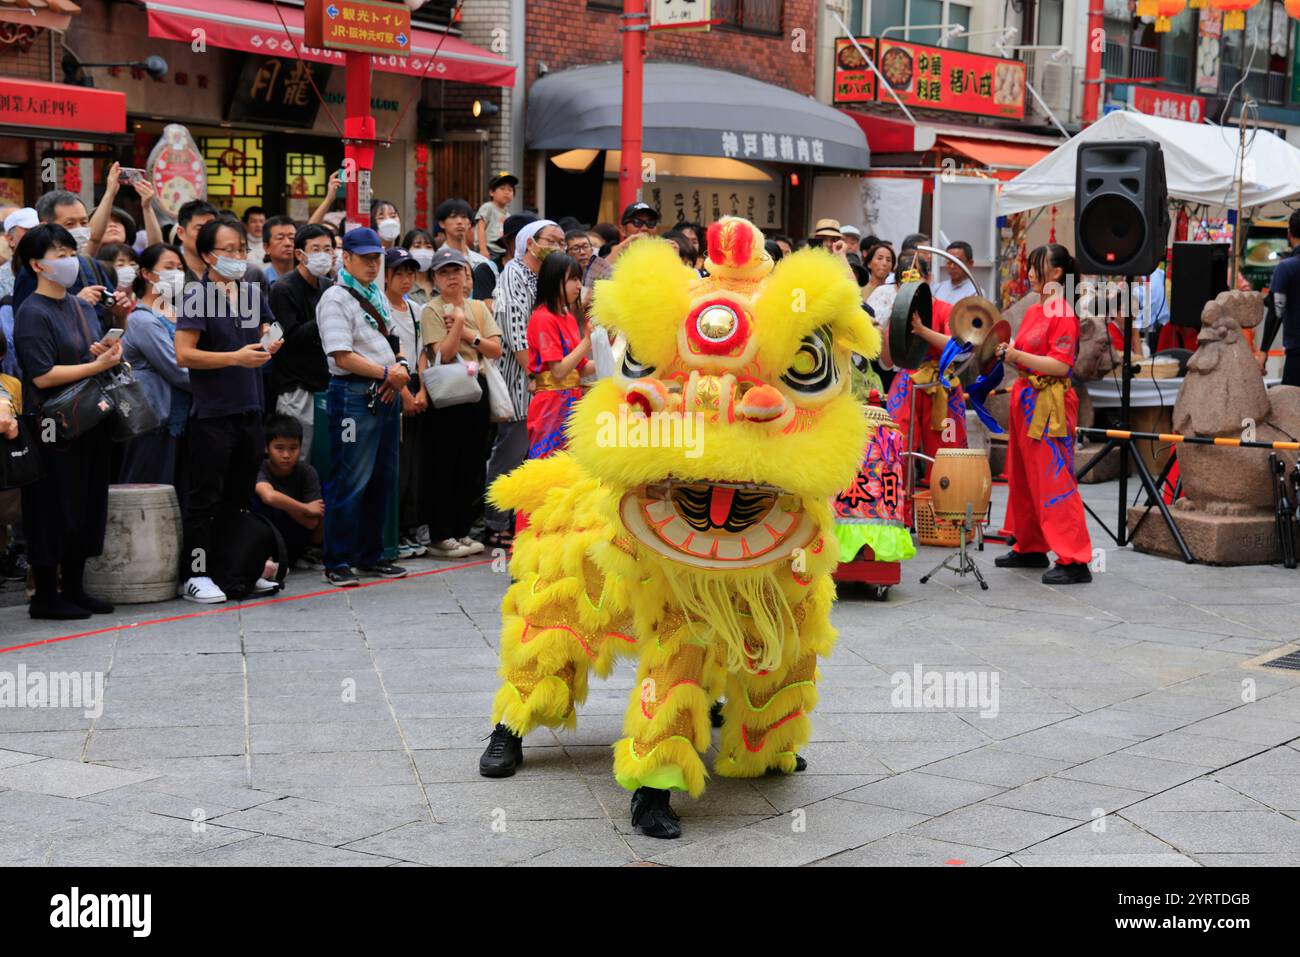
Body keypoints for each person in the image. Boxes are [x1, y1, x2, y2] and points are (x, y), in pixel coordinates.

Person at [11, 224, 120, 620]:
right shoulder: (32, 312)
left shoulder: (80, 305)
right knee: (52, 506)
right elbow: (41, 375)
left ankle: (74, 586)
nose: (69, 260)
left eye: (70, 251)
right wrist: (96, 364)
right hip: (52, 425)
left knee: (87, 502)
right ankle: (45, 593)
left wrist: (106, 350)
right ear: (37, 264)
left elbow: (87, 354)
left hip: (90, 418)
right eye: (59, 253)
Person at [174, 217, 280, 604]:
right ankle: (196, 573)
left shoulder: (249, 293)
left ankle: (236, 568)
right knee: (205, 499)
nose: (237, 257)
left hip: (250, 408)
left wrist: (271, 339)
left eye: (240, 249)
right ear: (206, 254)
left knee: (238, 496)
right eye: (227, 250)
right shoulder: (197, 296)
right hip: (213, 414)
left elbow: (266, 329)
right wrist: (234, 357)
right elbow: (184, 354)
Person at [316, 227, 411, 586]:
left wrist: (399, 367)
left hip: (386, 389)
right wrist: (388, 372)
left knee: (382, 477)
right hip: (353, 395)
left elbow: (393, 338)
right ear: (347, 259)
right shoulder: (336, 299)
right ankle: (337, 559)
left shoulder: (375, 293)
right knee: (350, 477)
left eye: (377, 258)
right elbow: (341, 355)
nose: (373, 265)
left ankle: (371, 555)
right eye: (366, 258)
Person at [994, 243, 1093, 585]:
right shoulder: (1039, 309)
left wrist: (1016, 356)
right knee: (1022, 477)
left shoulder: (1063, 312)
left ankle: (1075, 558)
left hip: (1049, 405)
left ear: (1056, 274)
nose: (1031, 272)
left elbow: (1061, 365)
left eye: (1037, 266)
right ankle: (1031, 545)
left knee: (1054, 479)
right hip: (1027, 400)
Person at [482, 218, 559, 548]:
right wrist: (534, 373)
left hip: (537, 382)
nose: (558, 247)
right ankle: (494, 520)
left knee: (528, 455)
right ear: (531, 243)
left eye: (562, 242)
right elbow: (516, 334)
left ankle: (516, 517)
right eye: (551, 240)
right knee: (511, 452)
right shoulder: (514, 275)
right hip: (519, 380)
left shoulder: (542, 278)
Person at [419, 246, 500, 557]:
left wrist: (466, 330)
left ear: (468, 275)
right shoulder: (432, 310)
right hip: (448, 389)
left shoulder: (478, 307)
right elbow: (444, 353)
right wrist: (458, 327)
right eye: (444, 272)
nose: (452, 277)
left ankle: (463, 530)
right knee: (444, 463)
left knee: (472, 462)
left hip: (477, 388)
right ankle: (441, 534)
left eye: (457, 271)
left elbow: (495, 349)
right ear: (435, 278)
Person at [882, 236, 967, 491]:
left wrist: (921, 330)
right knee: (899, 446)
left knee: (944, 451)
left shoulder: (944, 308)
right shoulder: (897, 312)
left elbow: (959, 346)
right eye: (904, 281)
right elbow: (887, 362)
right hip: (908, 380)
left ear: (928, 280)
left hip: (939, 381)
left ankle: (942, 517)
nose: (910, 284)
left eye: (915, 278)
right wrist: (889, 326)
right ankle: (901, 511)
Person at [120, 243, 191, 486]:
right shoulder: (143, 319)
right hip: (153, 418)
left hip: (180, 416)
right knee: (147, 486)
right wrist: (219, 380)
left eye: (180, 267)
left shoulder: (177, 312)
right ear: (147, 274)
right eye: (169, 267)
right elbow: (177, 369)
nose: (177, 273)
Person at [268, 223, 334, 461]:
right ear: (300, 254)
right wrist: (327, 314)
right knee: (296, 455)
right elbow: (291, 337)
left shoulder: (329, 286)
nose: (323, 255)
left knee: (324, 455)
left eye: (328, 249)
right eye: (316, 249)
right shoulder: (283, 288)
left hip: (325, 385)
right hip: (295, 388)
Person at [382, 247, 430, 560]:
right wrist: (406, 394)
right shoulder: (381, 309)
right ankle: (393, 531)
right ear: (385, 276)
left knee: (414, 464)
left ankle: (410, 527)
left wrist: (423, 389)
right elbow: (385, 354)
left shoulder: (414, 309)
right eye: (398, 273)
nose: (405, 279)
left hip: (415, 381)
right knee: (396, 463)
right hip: (391, 384)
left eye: (409, 273)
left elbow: (423, 351)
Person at [12, 190, 119, 326]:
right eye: (70, 224)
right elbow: (26, 327)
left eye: (84, 222)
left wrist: (120, 310)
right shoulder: (34, 271)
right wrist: (76, 304)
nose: (79, 230)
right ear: (46, 227)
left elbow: (111, 317)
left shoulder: (89, 264)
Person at [525, 253, 590, 461]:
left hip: (571, 400)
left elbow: (581, 369)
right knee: (549, 468)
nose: (578, 285)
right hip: (551, 406)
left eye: (579, 279)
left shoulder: (568, 317)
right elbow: (560, 371)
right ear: (554, 279)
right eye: (573, 279)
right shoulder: (543, 318)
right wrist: (587, 342)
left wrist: (617, 359)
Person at [254, 414, 324, 568]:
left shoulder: (306, 472)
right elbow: (269, 497)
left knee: (330, 493)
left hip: (295, 537)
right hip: (268, 536)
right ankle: (266, 560)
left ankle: (311, 552)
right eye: (279, 448)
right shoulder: (260, 468)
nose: (286, 455)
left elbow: (313, 521)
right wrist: (303, 508)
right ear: (266, 448)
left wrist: (285, 505)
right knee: (256, 502)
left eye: (293, 448)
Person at [435, 198, 498, 301]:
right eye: (453, 217)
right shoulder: (435, 261)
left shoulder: (484, 263)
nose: (459, 222)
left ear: (469, 224)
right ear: (442, 223)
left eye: (464, 217)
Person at [476, 171, 517, 260]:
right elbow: (480, 228)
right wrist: (483, 249)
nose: (506, 192)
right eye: (502, 189)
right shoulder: (488, 207)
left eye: (510, 190)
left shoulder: (508, 214)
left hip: (502, 251)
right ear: (491, 192)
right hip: (489, 249)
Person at [0, 207, 36, 302]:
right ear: (10, 239)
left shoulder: (52, 267)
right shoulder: (2, 278)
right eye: (29, 230)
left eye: (39, 229)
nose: (37, 234)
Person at [401, 228, 437, 307]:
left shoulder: (440, 284)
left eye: (428, 247)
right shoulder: (402, 287)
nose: (423, 251)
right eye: (417, 246)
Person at [261, 215, 298, 284]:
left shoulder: (310, 279)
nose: (288, 243)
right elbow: (248, 295)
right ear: (266, 247)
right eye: (280, 238)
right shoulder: (254, 280)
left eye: (292, 238)